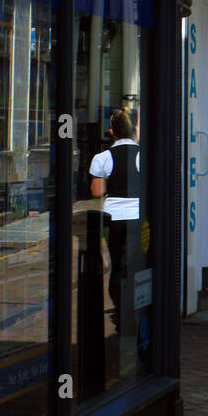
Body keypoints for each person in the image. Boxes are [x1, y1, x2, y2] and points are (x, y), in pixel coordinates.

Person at [90, 108, 140, 333]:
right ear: (134, 131)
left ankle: (120, 308)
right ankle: (136, 307)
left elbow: (96, 192)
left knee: (118, 264)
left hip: (114, 219)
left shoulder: (103, 157)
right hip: (138, 216)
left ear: (111, 132)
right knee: (136, 263)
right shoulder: (142, 154)